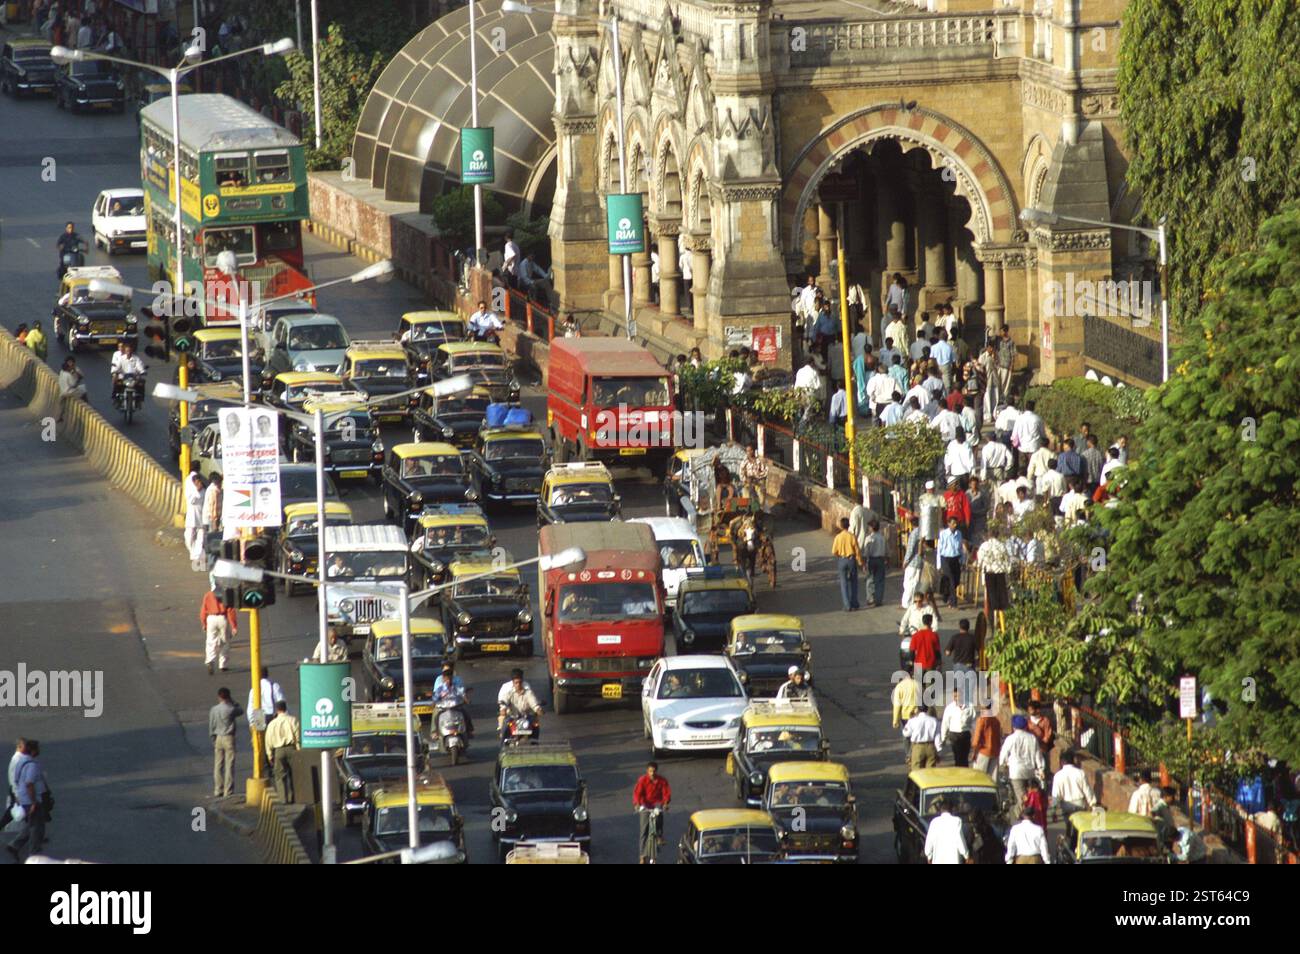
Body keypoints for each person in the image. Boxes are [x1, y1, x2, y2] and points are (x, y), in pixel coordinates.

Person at [6, 740, 49, 862]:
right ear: (33, 750)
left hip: (24, 797)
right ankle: (33, 853)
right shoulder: (32, 765)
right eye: (37, 748)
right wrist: (34, 802)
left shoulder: (21, 761)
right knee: (36, 826)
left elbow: (16, 779)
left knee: (34, 823)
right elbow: (29, 784)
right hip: (31, 799)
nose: (39, 750)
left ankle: (15, 845)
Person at [999, 714, 1045, 812]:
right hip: (1030, 771)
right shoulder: (1032, 738)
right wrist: (1041, 769)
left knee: (1023, 799)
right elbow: (1038, 755)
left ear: (1014, 726)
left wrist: (1004, 764)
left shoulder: (1010, 738)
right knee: (1030, 796)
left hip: (1016, 772)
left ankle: (1022, 815)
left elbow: (1003, 756)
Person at [633, 762, 671, 863]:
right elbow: (637, 794)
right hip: (645, 806)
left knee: (659, 819)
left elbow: (666, 793)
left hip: (657, 805)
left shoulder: (662, 781)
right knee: (644, 832)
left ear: (656, 771)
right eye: (650, 771)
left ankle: (659, 836)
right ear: (647, 771)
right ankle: (642, 855)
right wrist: (637, 804)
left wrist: (666, 804)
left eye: (654, 771)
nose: (652, 773)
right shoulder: (642, 780)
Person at [208, 688, 243, 800]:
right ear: (228, 697)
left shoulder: (214, 709)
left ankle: (218, 789)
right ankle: (228, 790)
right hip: (229, 737)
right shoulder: (231, 709)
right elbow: (241, 710)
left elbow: (211, 725)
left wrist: (213, 738)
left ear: (219, 697)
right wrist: (233, 701)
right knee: (229, 765)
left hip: (218, 737)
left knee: (218, 765)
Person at [264, 701, 300, 803]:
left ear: (277, 710)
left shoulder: (272, 724)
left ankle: (283, 799)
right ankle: (293, 797)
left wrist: (269, 755)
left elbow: (268, 741)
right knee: (294, 774)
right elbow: (297, 736)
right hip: (291, 749)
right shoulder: (293, 720)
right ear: (285, 708)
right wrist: (299, 749)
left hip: (278, 751)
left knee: (279, 776)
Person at [199, 584, 237, 675]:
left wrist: (204, 623)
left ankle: (210, 660)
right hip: (222, 618)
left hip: (211, 618)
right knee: (225, 642)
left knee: (211, 641)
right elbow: (230, 611)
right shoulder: (226, 595)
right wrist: (234, 626)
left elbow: (203, 610)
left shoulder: (208, 595)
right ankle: (223, 664)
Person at [498, 668, 543, 740]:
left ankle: (535, 741)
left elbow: (533, 702)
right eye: (516, 683)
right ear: (513, 683)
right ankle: (503, 743)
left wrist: (538, 709)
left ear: (522, 681)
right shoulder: (509, 693)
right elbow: (504, 702)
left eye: (520, 682)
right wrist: (503, 709)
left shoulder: (528, 692)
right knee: (504, 727)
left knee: (535, 724)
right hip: (512, 717)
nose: (518, 684)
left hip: (526, 717)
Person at [830, 517, 863, 611]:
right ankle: (854, 603)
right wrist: (860, 562)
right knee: (854, 582)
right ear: (849, 526)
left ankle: (847, 605)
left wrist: (840, 556)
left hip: (842, 559)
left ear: (841, 526)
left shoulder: (838, 537)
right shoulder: (852, 536)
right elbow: (857, 551)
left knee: (843, 583)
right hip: (851, 559)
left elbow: (834, 551)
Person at [1051, 752, 1097, 817]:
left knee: (1068, 821)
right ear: (1073, 761)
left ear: (1062, 762)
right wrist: (1093, 805)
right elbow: (1087, 790)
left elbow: (1056, 794)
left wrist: (1054, 810)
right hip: (1080, 804)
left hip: (1066, 805)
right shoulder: (1080, 773)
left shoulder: (1057, 776)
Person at [923, 797, 968, 864]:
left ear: (941, 809)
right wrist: (966, 856)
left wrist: (929, 857)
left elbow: (929, 844)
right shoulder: (956, 821)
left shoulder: (934, 822)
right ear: (952, 809)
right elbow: (960, 841)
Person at [433, 662, 474, 736]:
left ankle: (469, 730)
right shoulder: (440, 686)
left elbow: (462, 693)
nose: (448, 680)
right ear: (444, 678)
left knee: (465, 713)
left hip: (455, 706)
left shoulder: (456, 685)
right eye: (446, 678)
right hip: (443, 707)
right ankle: (435, 732)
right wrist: (435, 701)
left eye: (450, 677)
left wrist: (466, 700)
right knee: (436, 716)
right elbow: (435, 696)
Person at [940, 689, 975, 768]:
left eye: (958, 696)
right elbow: (945, 724)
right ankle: (959, 771)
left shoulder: (969, 706)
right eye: (955, 696)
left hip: (965, 734)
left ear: (962, 696)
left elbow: (974, 721)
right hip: (954, 735)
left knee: (965, 757)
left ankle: (965, 772)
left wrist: (975, 735)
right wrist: (943, 738)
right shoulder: (949, 708)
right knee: (958, 757)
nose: (957, 698)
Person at [936, 516, 966, 608]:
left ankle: (946, 594)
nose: (954, 525)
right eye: (952, 523)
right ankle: (953, 602)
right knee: (951, 579)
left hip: (955, 559)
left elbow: (960, 548)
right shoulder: (943, 534)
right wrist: (939, 564)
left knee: (956, 580)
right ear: (948, 524)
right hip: (946, 559)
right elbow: (939, 549)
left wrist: (962, 560)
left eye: (956, 523)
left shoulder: (959, 534)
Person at [903, 705, 940, 770]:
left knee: (917, 771)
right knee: (930, 771)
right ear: (927, 709)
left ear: (918, 709)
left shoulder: (913, 721)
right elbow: (937, 736)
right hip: (930, 746)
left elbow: (906, 733)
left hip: (918, 747)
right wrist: (938, 750)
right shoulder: (934, 720)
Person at [971, 701, 1002, 776]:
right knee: (992, 778)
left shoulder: (982, 720)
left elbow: (977, 738)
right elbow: (999, 737)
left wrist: (974, 752)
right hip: (995, 751)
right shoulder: (996, 721)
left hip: (983, 751)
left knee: (979, 776)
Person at [862, 519, 888, 608]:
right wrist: (887, 560)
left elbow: (866, 552)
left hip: (872, 560)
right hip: (881, 560)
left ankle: (870, 599)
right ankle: (879, 600)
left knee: (870, 580)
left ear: (871, 528)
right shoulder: (882, 538)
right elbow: (886, 550)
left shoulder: (869, 538)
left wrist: (864, 563)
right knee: (880, 580)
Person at [899, 524, 926, 609]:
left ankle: (907, 603)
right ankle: (913, 602)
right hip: (919, 562)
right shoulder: (923, 531)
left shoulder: (914, 533)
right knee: (915, 583)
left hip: (912, 562)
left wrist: (905, 561)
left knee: (909, 584)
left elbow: (910, 549)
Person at [184, 472, 206, 571]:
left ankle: (197, 557)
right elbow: (191, 501)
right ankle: (193, 553)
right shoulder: (191, 491)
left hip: (201, 517)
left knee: (200, 538)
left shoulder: (204, 491)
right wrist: (196, 490)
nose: (198, 484)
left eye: (199, 482)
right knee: (188, 537)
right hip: (191, 516)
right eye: (196, 482)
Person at [739, 445, 768, 510]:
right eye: (747, 451)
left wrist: (758, 477)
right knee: (746, 491)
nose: (749, 452)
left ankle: (761, 508)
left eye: (750, 450)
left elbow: (765, 471)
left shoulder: (759, 461)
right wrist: (746, 479)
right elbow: (741, 474)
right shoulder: (744, 462)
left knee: (761, 491)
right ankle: (750, 509)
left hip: (758, 481)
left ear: (753, 451)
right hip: (748, 482)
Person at [202, 471, 222, 538]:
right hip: (212, 518)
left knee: (208, 537)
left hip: (209, 518)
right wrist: (215, 520)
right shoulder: (214, 490)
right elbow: (213, 505)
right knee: (212, 537)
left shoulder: (212, 488)